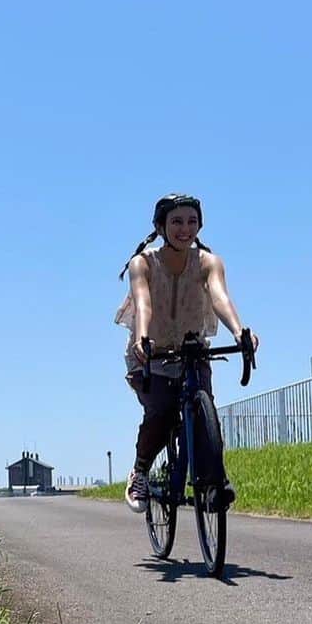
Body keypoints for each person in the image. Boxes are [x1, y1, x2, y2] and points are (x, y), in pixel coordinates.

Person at [115, 193, 258, 513]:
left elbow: (220, 298)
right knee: (162, 412)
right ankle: (139, 472)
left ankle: (213, 483)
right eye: (176, 221)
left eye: (192, 221)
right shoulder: (144, 263)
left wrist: (239, 331)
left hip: (193, 349)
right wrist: (142, 338)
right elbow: (144, 303)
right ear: (160, 226)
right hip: (150, 352)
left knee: (204, 414)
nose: (185, 228)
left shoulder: (209, 262)